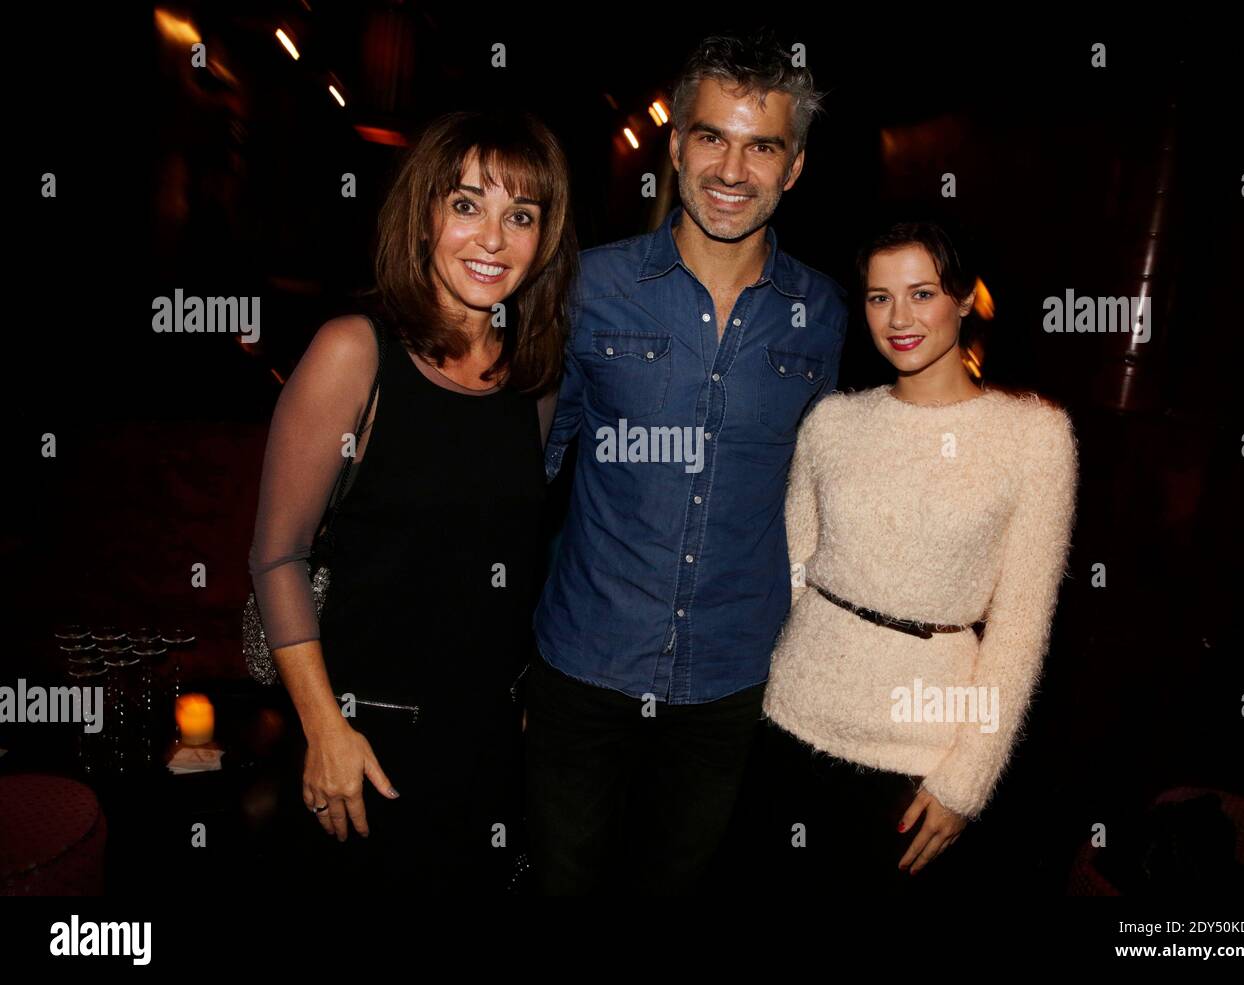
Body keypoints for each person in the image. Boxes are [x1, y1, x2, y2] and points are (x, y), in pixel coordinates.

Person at [525, 29, 847, 894]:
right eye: (712, 137)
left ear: (795, 167)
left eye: (762, 146)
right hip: (585, 666)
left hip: (731, 682)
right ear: (675, 146)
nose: (732, 171)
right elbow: (524, 470)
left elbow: (831, 494)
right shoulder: (586, 287)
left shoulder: (825, 314)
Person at [247, 110, 576, 891]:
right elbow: (277, 555)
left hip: (488, 754)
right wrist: (325, 728)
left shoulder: (534, 376)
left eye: (520, 215)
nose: (492, 238)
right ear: (425, 211)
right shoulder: (354, 352)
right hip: (363, 745)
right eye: (466, 204)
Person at [759, 220, 1079, 892]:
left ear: (964, 299)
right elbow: (790, 572)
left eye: (922, 292)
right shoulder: (833, 422)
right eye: (879, 297)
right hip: (784, 726)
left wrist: (966, 780)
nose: (898, 318)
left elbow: (1021, 629)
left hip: (914, 754)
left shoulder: (1034, 438)